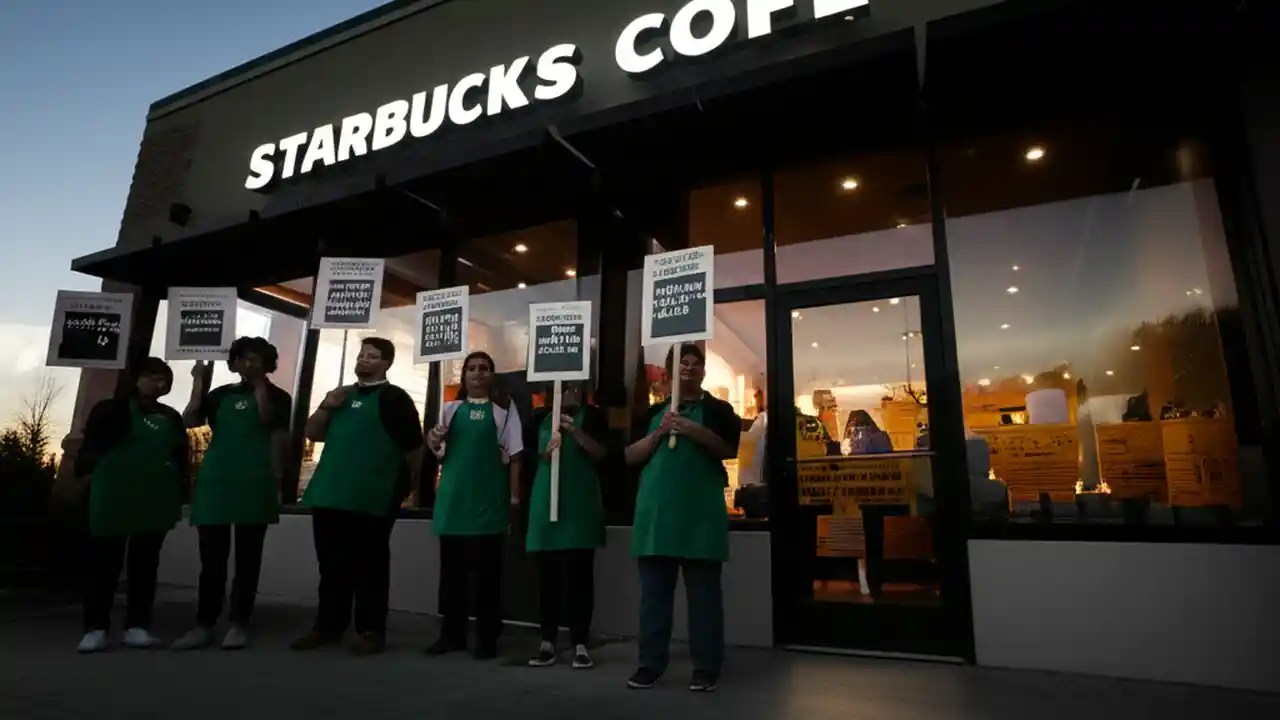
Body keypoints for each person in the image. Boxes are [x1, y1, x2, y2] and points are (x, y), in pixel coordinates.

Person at [290, 338, 423, 656]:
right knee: (331, 566)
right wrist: (325, 405)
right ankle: (327, 626)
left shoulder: (395, 399)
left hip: (373, 497)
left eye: (372, 356)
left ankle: (371, 630)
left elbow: (414, 449)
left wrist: (411, 487)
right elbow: (312, 432)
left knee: (371, 568)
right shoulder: (340, 396)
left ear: (387, 363)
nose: (364, 360)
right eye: (361, 355)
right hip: (330, 494)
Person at [624, 344, 741, 693]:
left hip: (700, 517)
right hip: (656, 516)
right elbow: (630, 456)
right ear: (668, 372)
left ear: (703, 372)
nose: (689, 369)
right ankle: (650, 664)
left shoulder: (720, 410)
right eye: (681, 364)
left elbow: (728, 449)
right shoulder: (651, 413)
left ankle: (706, 666)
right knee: (653, 598)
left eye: (695, 364)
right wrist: (661, 431)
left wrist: (690, 428)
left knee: (704, 598)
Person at [171, 338, 293, 651]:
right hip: (217, 481)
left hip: (255, 481)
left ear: (268, 364)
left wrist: (261, 389)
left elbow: (273, 427)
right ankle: (203, 624)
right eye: (243, 359)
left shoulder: (279, 397)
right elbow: (190, 420)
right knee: (211, 560)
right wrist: (199, 382)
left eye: (256, 360)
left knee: (248, 558)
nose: (249, 365)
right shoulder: (220, 395)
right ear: (234, 363)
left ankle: (239, 623)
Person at [75, 357, 189, 653]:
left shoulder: (171, 417)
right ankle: (96, 628)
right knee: (104, 564)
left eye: (165, 380)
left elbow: (180, 457)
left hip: (156, 496)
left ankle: (137, 626)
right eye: (153, 377)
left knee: (145, 565)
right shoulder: (109, 410)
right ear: (136, 378)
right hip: (113, 494)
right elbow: (90, 450)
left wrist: (181, 491)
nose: (159, 384)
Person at [425, 351, 524, 660]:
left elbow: (516, 456)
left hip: (488, 504)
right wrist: (433, 438)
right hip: (453, 503)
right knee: (451, 576)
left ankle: (486, 638)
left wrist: (514, 498)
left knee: (487, 578)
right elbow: (437, 451)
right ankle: (451, 635)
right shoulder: (449, 410)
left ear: (491, 376)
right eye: (472, 369)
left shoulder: (504, 411)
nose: (478, 373)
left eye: (484, 368)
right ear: (464, 376)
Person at [525, 381, 608, 669]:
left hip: (579, 505)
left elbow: (602, 454)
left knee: (579, 577)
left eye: (574, 387)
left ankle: (580, 642)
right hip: (545, 503)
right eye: (562, 388)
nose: (569, 393)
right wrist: (547, 451)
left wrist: (574, 431)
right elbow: (527, 459)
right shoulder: (539, 419)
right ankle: (547, 641)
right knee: (547, 579)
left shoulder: (594, 417)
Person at [734, 387, 769, 519]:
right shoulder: (761, 420)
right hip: (756, 484)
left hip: (757, 486)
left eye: (756, 397)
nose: (755, 401)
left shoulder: (764, 419)